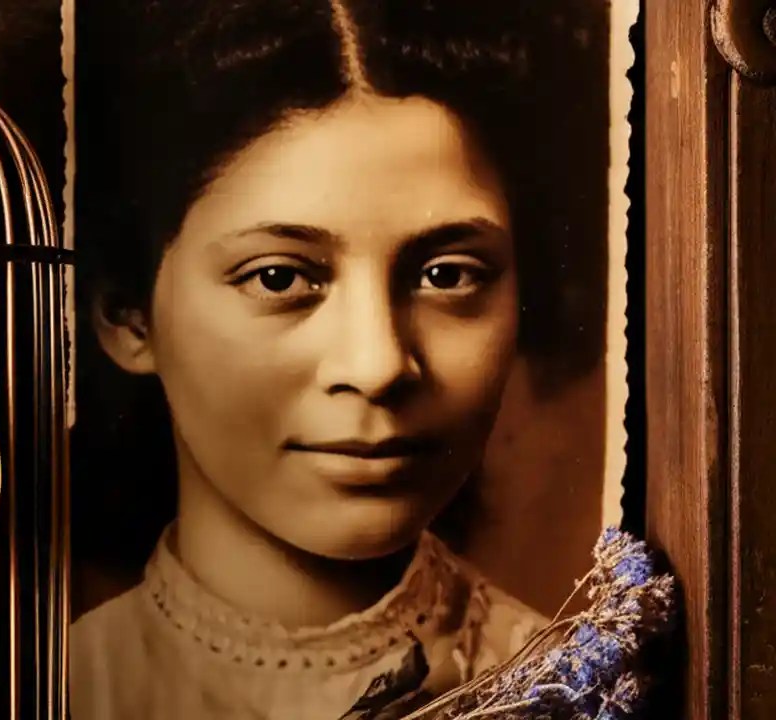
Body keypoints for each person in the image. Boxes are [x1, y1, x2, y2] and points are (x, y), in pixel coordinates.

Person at [68, 1, 606, 717]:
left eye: (447, 275)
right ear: (127, 315)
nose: (379, 363)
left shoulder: (573, 693)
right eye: (280, 278)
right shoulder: (38, 687)